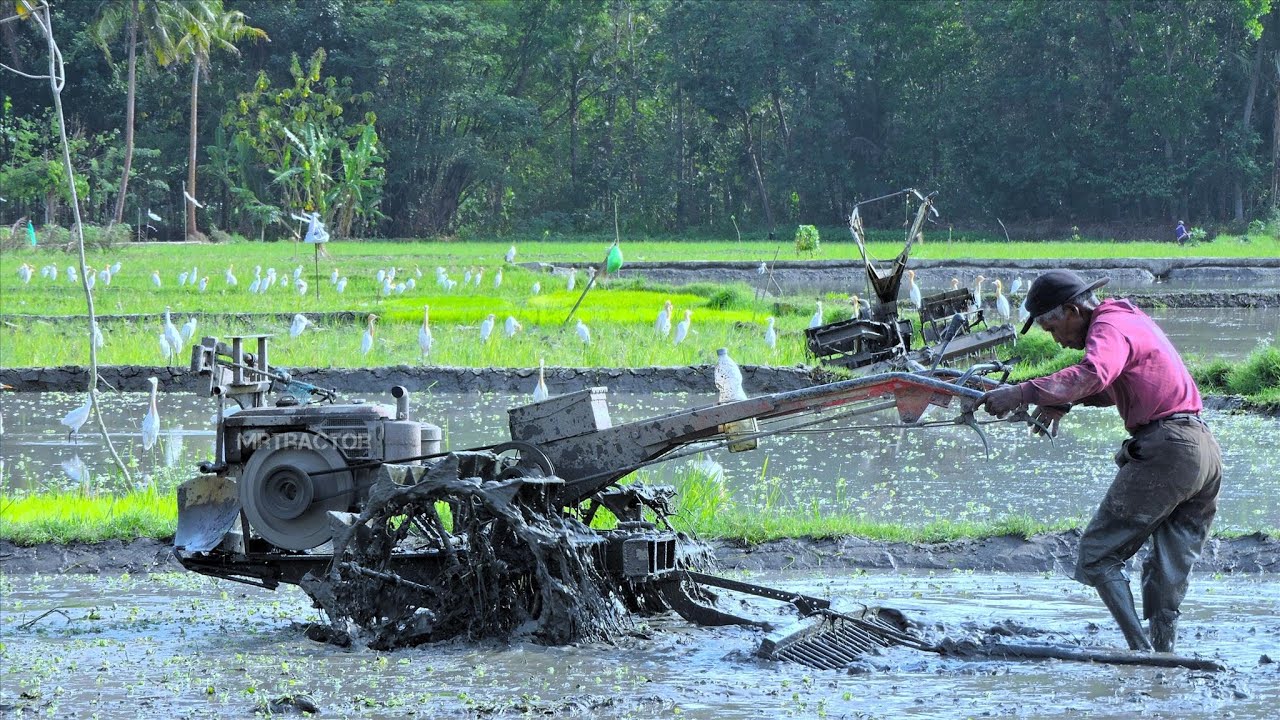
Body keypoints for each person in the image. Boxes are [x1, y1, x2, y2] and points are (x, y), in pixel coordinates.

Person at [980, 270, 1222, 653]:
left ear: (1074, 310)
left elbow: (1094, 373)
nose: (1058, 340)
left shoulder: (1107, 327)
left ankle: (1141, 651)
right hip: (1202, 449)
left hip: (1170, 448)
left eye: (1053, 328)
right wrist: (1060, 399)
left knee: (1097, 553)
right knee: (1168, 564)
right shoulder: (1128, 316)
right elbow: (1112, 388)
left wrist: (1022, 392)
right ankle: (1165, 651)